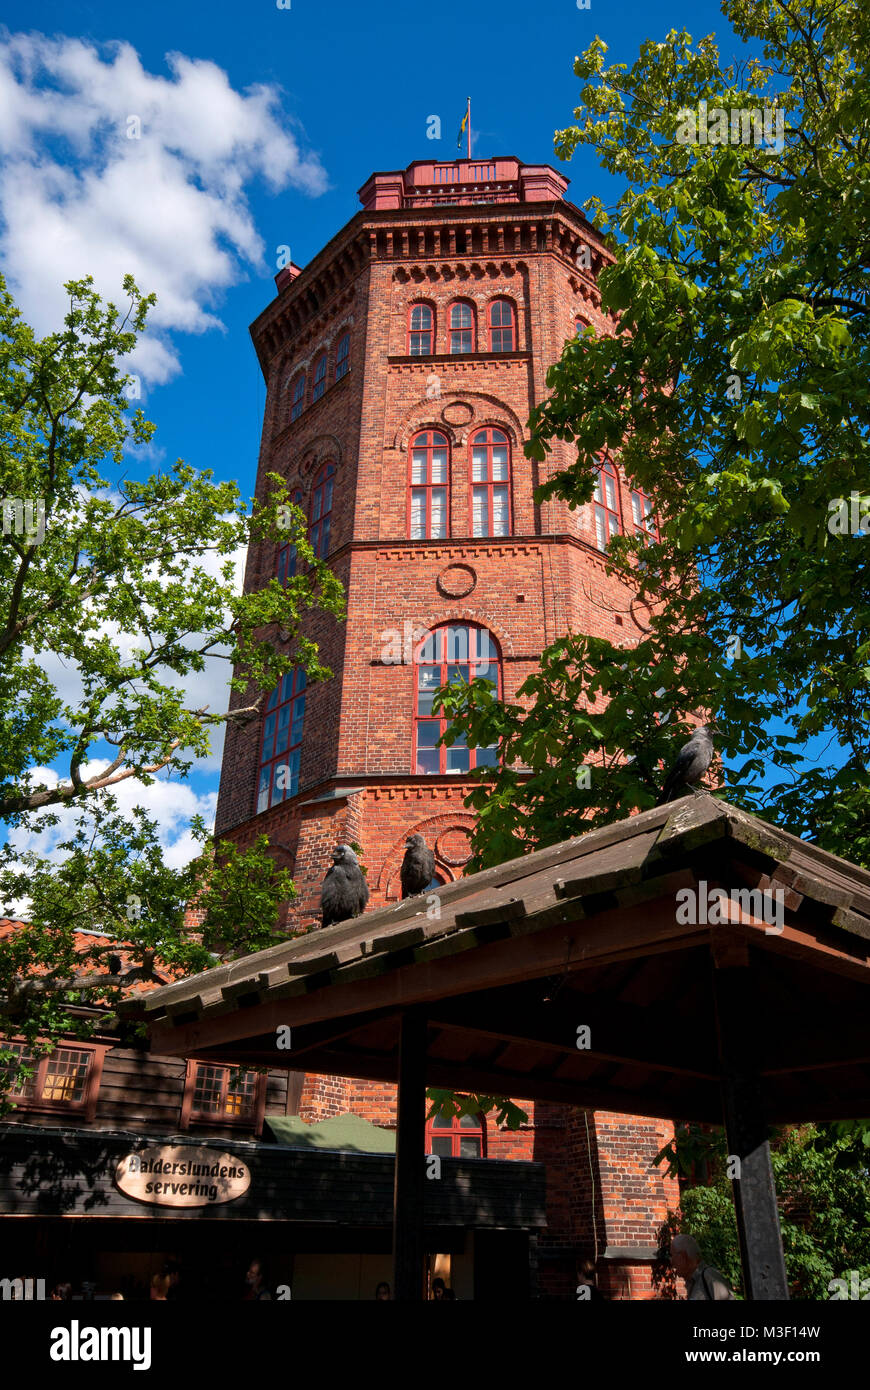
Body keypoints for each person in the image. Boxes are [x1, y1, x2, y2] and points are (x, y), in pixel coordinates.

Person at [671, 1234, 735, 1300]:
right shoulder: (693, 1282)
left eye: (673, 1256)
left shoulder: (709, 1277)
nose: (672, 1262)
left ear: (683, 1257)